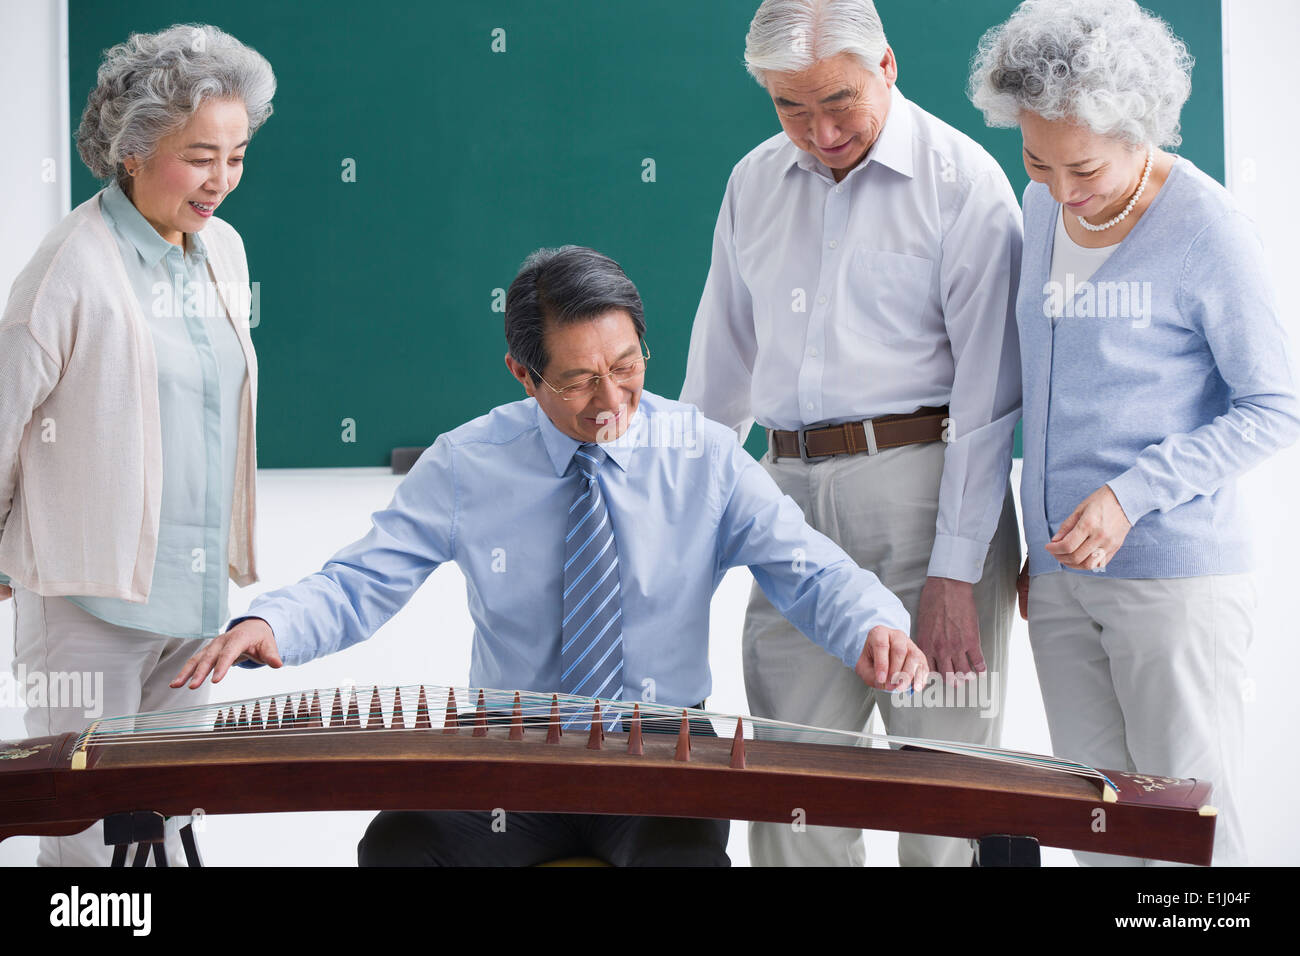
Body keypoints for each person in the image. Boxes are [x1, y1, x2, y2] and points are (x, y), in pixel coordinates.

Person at [172, 245, 929, 867]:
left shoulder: (703, 455)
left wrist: (873, 625)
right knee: (398, 850)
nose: (612, 401)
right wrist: (272, 624)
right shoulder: (469, 462)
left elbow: (807, 566)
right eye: (577, 380)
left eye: (627, 367)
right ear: (522, 373)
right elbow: (364, 578)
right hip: (508, 756)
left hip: (659, 757)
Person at [680, 0, 1022, 866]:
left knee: (943, 790)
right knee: (791, 785)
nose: (819, 130)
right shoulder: (752, 182)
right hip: (786, 504)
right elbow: (717, 380)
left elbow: (991, 401)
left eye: (837, 100)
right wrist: (675, 533)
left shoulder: (964, 181)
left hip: (929, 492)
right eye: (790, 106)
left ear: (888, 67)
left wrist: (954, 574)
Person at [968, 0, 1300, 865]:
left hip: (1171, 578)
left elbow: (1277, 405)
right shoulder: (1043, 209)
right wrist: (1042, 549)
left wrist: (1130, 494)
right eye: (1035, 159)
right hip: (1062, 579)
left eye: (1083, 168)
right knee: (1099, 828)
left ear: (1141, 129)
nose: (1059, 189)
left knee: (1188, 831)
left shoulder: (1207, 229)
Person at [0, 24, 274, 865]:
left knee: (173, 817)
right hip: (86, 595)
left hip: (191, 599)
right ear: (132, 148)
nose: (221, 180)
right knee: (82, 828)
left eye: (235, 155)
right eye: (199, 156)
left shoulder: (222, 249)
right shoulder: (71, 266)